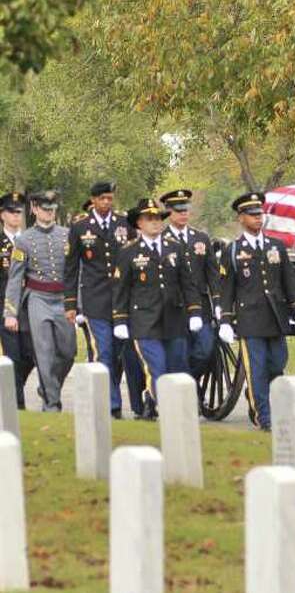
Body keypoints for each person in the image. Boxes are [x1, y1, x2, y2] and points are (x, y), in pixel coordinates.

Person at [217, 192, 295, 430]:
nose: (258, 218)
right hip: (250, 320)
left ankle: (258, 397)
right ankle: (265, 417)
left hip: (276, 316)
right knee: (256, 370)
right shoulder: (233, 251)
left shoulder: (275, 246)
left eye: (260, 213)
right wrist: (225, 320)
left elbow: (289, 280)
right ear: (241, 218)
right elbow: (226, 289)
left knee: (277, 364)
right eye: (252, 214)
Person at [112, 199, 203, 419]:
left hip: (173, 318)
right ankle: (168, 411)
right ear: (139, 223)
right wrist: (120, 320)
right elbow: (120, 288)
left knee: (177, 367)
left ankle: (156, 401)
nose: (155, 222)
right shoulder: (129, 252)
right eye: (149, 218)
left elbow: (187, 283)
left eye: (158, 218)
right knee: (157, 367)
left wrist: (194, 311)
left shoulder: (175, 247)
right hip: (144, 321)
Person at [64, 180, 142, 418]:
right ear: (94, 200)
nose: (107, 202)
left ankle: (126, 399)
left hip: (123, 298)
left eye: (110, 198)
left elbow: (135, 256)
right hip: (95, 298)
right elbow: (71, 267)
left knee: (121, 351)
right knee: (104, 350)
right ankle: (112, 405)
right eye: (102, 199)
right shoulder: (80, 227)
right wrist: (70, 303)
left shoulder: (123, 223)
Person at [3, 191, 76, 411]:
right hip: (37, 298)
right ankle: (52, 403)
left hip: (62, 298)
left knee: (68, 352)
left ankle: (48, 388)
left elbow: (75, 272)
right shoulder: (24, 240)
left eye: (52, 209)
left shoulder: (67, 235)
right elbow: (15, 278)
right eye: (45, 209)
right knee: (44, 353)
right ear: (34, 209)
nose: (49, 213)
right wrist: (10, 312)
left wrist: (77, 303)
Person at [161, 189, 221, 377]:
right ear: (169, 212)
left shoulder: (201, 237)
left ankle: (188, 381)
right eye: (179, 210)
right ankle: (183, 386)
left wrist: (218, 302)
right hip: (174, 306)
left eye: (185, 209)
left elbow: (212, 273)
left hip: (201, 305)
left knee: (205, 349)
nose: (183, 214)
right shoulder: (161, 239)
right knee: (178, 353)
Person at [0, 192, 35, 407]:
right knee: (13, 356)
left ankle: (14, 388)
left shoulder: (30, 240)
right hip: (5, 307)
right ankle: (17, 404)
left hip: (30, 306)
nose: (16, 215)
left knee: (30, 355)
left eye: (19, 212)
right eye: (11, 212)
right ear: (2, 215)